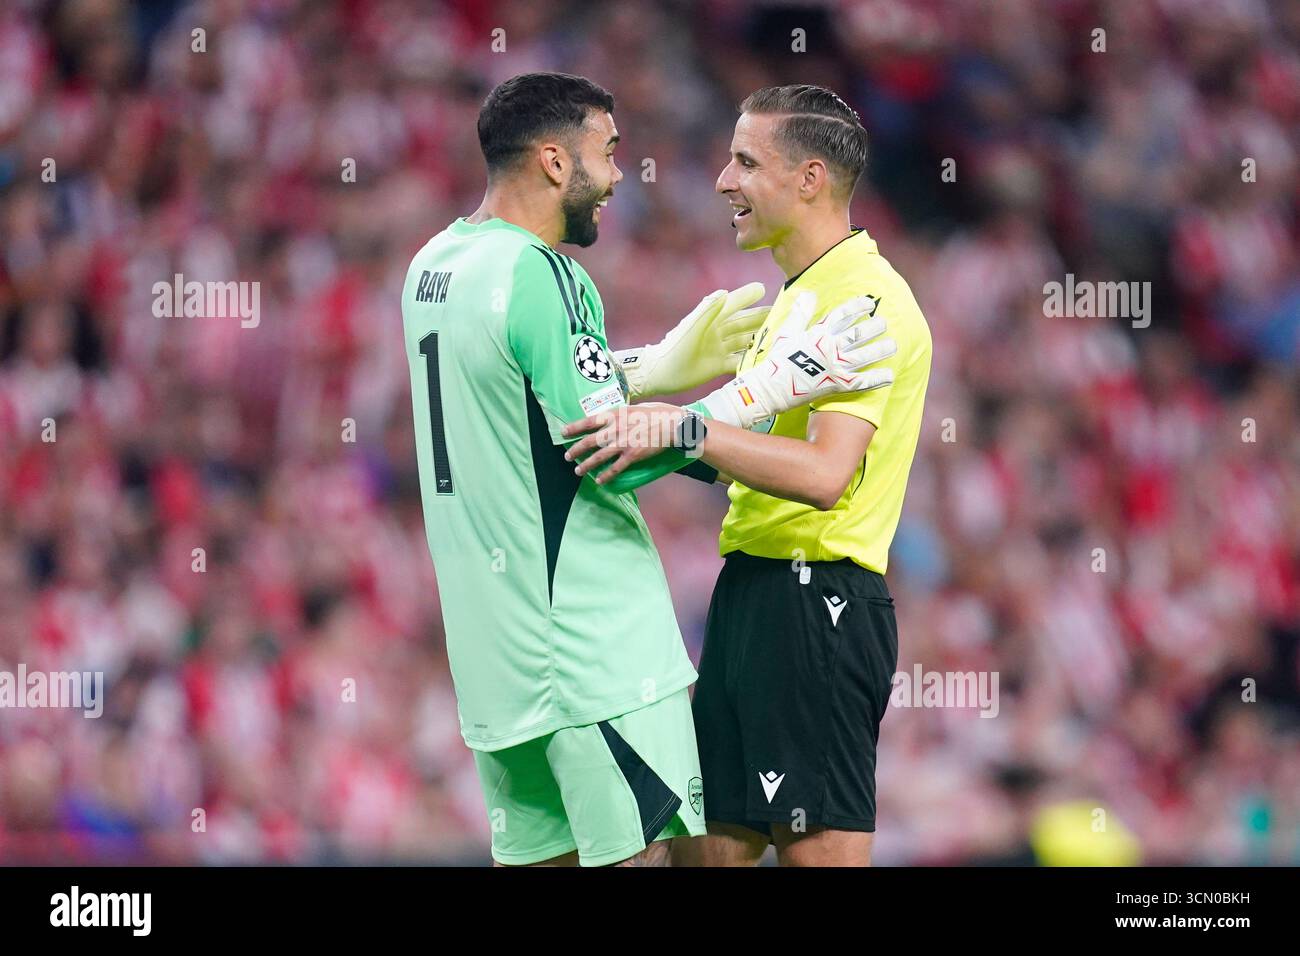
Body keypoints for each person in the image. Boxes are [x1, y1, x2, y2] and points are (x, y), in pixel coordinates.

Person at [401, 73, 893, 866]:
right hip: (588, 649)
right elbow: (610, 456)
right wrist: (757, 394)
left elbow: (527, 402)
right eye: (608, 151)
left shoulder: (436, 266)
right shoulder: (547, 273)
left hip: (495, 661)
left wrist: (656, 370)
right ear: (556, 162)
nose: (621, 175)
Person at [563, 85, 933, 866]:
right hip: (750, 599)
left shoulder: (863, 302)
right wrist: (668, 401)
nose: (724, 181)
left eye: (744, 162)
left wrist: (690, 426)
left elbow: (827, 474)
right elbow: (723, 454)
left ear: (809, 179)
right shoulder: (796, 299)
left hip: (819, 605)